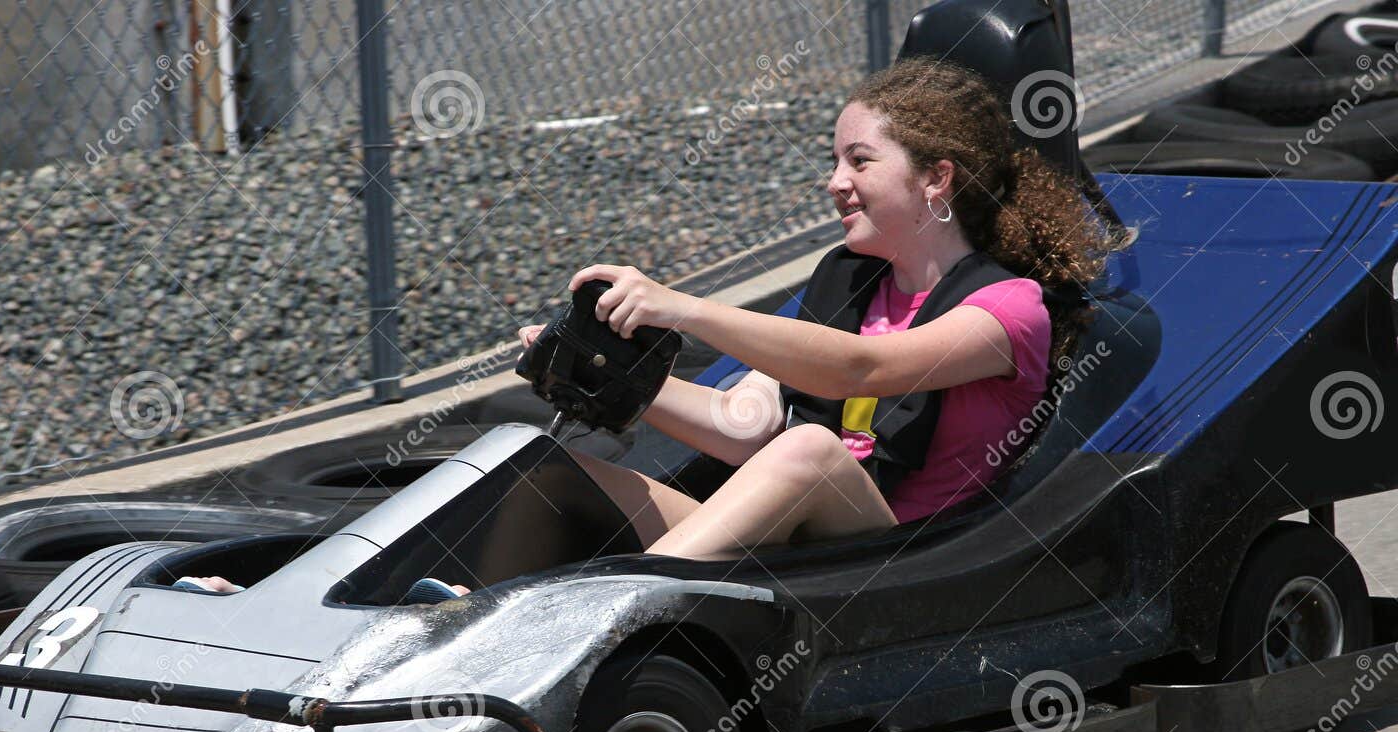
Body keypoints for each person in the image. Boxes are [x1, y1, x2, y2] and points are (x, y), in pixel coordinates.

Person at [184, 59, 1112, 599]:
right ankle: (317, 601)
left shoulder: (1008, 309)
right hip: (798, 521)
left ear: (937, 180)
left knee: (809, 457)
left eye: (858, 161)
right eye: (834, 158)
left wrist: (680, 306)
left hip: (911, 560)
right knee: (533, 464)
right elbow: (750, 426)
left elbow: (865, 371)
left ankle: (574, 621)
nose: (834, 181)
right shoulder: (847, 283)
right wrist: (612, 384)